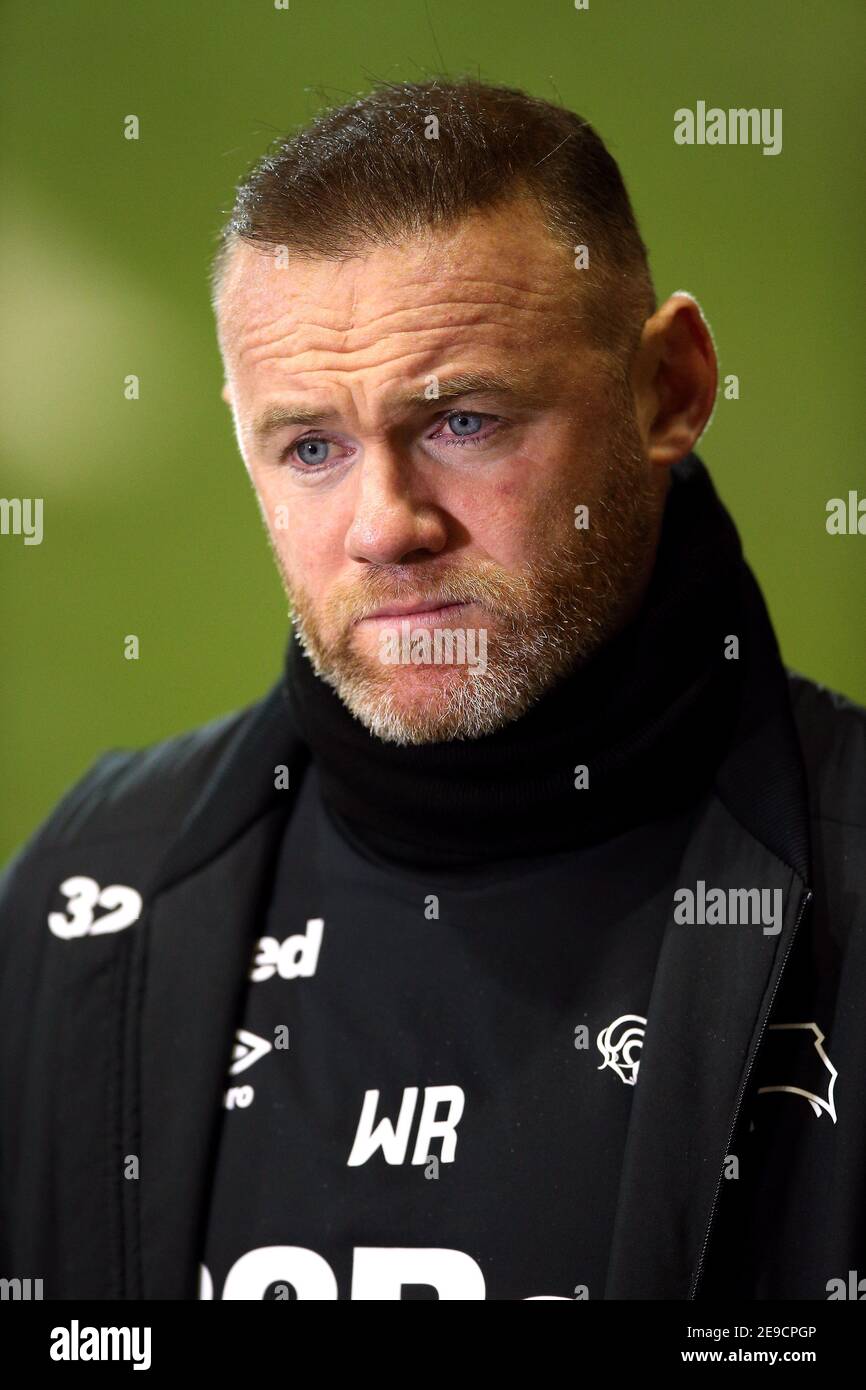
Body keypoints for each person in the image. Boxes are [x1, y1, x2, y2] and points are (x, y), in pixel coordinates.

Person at [1, 80, 863, 1302]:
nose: (384, 527)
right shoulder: (87, 892)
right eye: (311, 447)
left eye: (461, 420)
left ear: (668, 388)